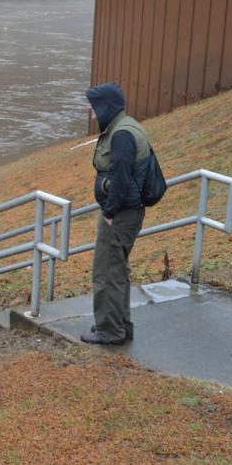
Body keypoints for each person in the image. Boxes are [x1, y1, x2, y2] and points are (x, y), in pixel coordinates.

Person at [81, 82, 151, 345]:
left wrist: (109, 211)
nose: (91, 113)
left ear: (106, 107)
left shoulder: (121, 135)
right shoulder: (126, 126)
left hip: (120, 214)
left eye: (94, 108)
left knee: (107, 271)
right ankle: (119, 325)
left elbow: (122, 178)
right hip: (126, 212)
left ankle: (110, 331)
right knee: (117, 270)